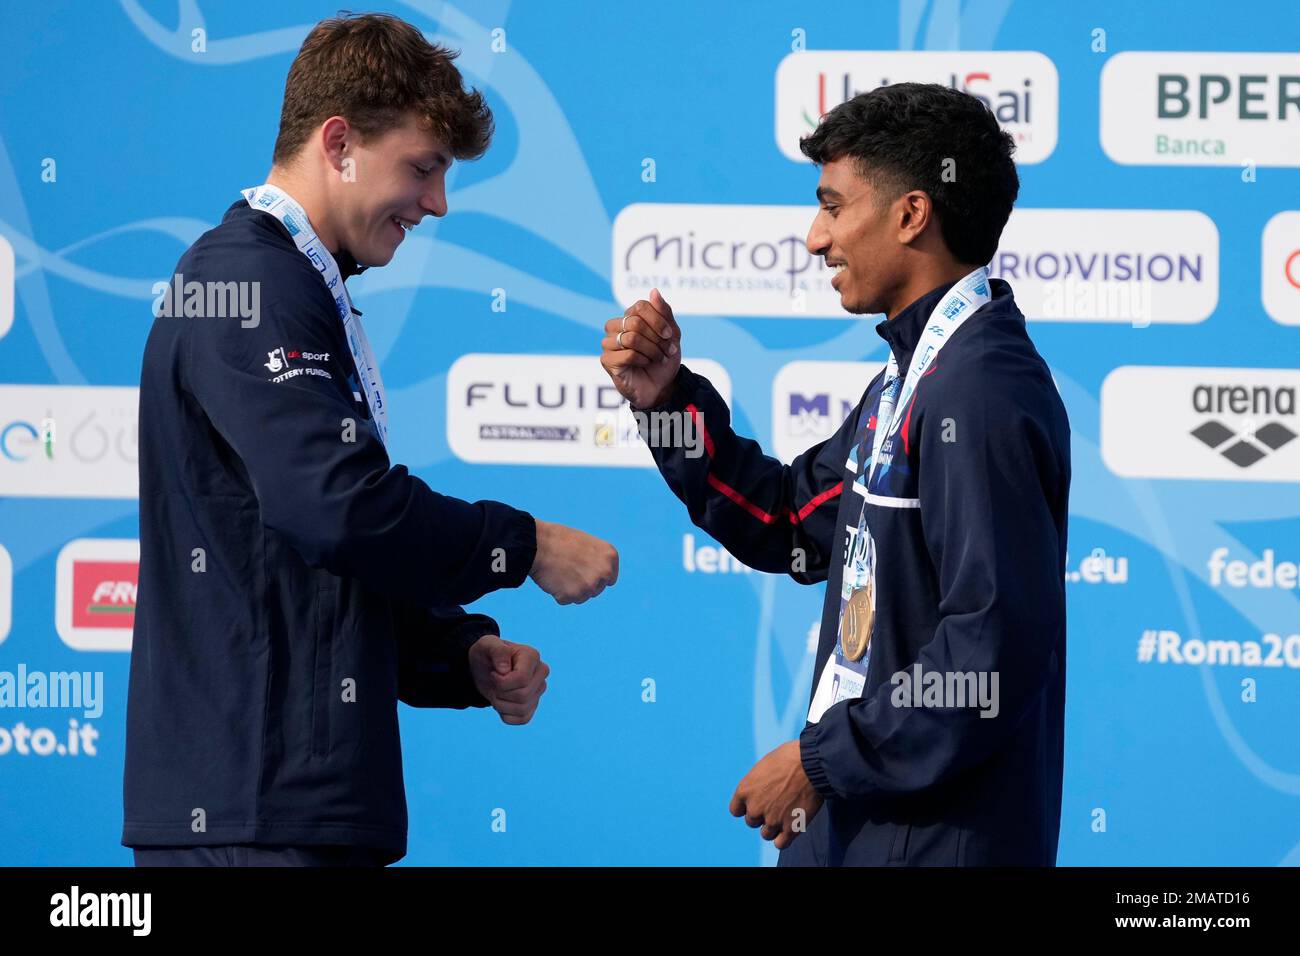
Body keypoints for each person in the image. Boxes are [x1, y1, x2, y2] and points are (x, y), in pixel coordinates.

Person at [126, 12, 618, 868]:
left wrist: (452, 652)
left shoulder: (292, 280)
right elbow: (338, 509)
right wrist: (523, 545)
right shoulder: (249, 279)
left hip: (279, 807)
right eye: (423, 169)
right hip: (253, 816)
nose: (436, 202)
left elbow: (317, 559)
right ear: (340, 143)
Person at [600, 83, 1071, 865]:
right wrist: (666, 403)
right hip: (859, 829)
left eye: (833, 206)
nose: (816, 238)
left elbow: (988, 653)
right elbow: (787, 520)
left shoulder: (981, 391)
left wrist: (822, 762)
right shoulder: (912, 377)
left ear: (911, 214)